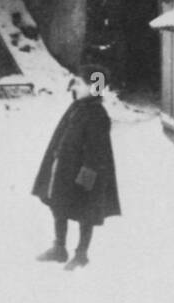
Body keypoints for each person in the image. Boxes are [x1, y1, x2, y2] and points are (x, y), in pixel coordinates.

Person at [31, 65, 121, 270]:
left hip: (84, 174)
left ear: (93, 87)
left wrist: (85, 180)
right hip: (64, 169)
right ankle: (59, 248)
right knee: (58, 204)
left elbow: (97, 153)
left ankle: (81, 254)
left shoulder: (97, 114)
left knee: (85, 212)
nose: (74, 87)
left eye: (79, 83)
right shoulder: (77, 107)